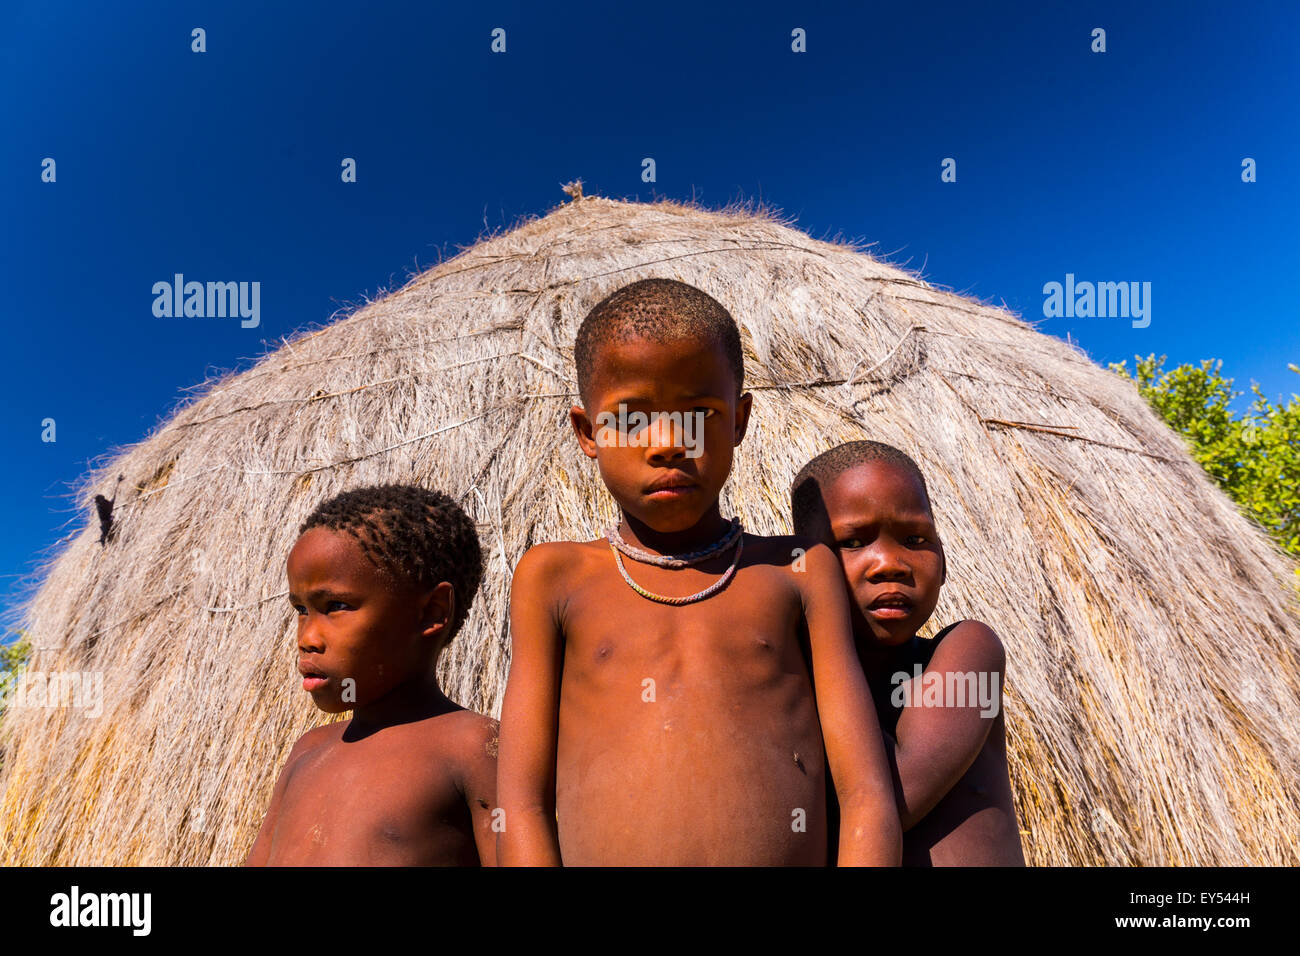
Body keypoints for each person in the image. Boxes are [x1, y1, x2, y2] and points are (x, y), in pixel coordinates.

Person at [497, 278, 900, 865]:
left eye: (700, 415)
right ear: (588, 433)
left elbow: (864, 792)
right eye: (632, 419)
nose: (669, 444)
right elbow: (522, 802)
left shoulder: (797, 571)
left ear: (738, 421)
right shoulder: (554, 577)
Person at [791, 442, 1025, 865]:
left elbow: (891, 801)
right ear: (802, 568)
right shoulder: (785, 680)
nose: (889, 563)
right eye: (854, 541)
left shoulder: (969, 652)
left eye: (915, 538)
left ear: (944, 560)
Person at [244, 484, 499, 866]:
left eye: (336, 606)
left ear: (431, 612)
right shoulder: (308, 752)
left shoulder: (474, 747)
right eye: (301, 609)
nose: (307, 638)